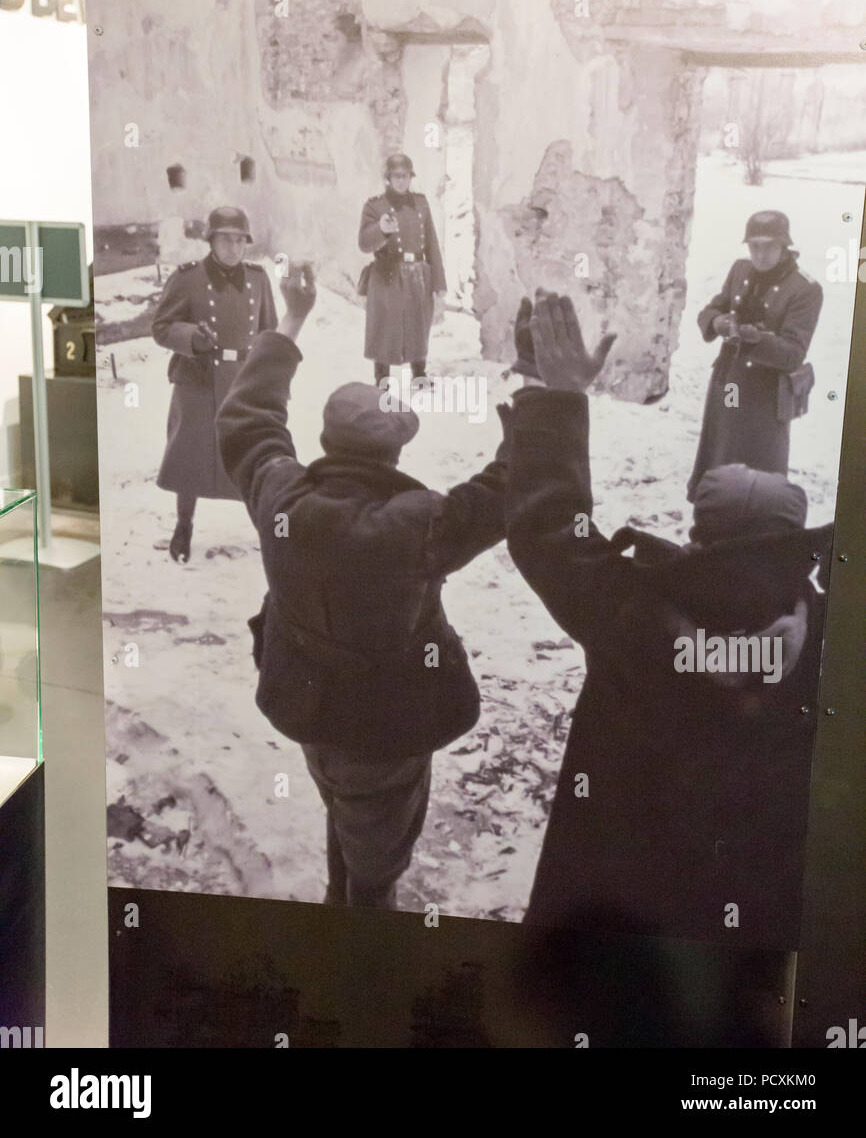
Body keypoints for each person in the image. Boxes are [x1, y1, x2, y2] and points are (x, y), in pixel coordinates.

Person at [505, 290, 832, 950]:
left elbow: (545, 525)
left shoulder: (630, 611)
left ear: (699, 539)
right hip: (749, 936)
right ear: (793, 549)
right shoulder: (828, 647)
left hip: (614, 918)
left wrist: (555, 395)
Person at [215, 262, 510, 911]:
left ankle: (338, 894)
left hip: (307, 706)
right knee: (377, 863)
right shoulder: (422, 523)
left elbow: (248, 421)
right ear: (395, 453)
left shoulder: (282, 498)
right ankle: (361, 943)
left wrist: (289, 321)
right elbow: (509, 490)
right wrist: (543, 399)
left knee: (337, 807)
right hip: (388, 731)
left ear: (325, 440)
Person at [152, 206, 277, 562]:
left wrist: (269, 379)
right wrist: (193, 337)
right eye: (226, 239)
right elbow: (161, 326)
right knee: (189, 455)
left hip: (242, 382)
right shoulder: (188, 277)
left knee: (251, 456)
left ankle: (268, 530)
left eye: (240, 240)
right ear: (211, 240)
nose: (234, 248)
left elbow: (269, 331)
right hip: (198, 380)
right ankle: (184, 526)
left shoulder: (258, 278)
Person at [687, 210, 822, 501]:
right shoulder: (740, 270)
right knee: (721, 454)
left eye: (769, 246)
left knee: (760, 477)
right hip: (729, 382)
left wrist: (754, 340)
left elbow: (793, 354)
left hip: (765, 398)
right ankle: (713, 512)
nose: (760, 254)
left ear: (784, 246)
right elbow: (713, 308)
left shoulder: (805, 289)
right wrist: (715, 322)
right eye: (754, 246)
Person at [358, 153, 447, 386]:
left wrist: (439, 284)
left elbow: (432, 244)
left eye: (405, 176)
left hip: (418, 272)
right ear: (388, 178)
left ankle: (419, 374)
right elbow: (364, 243)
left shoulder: (420, 203)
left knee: (418, 322)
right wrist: (381, 229)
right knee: (384, 325)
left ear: (410, 177)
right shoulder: (374, 206)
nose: (401, 181)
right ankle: (382, 378)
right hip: (387, 271)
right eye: (396, 176)